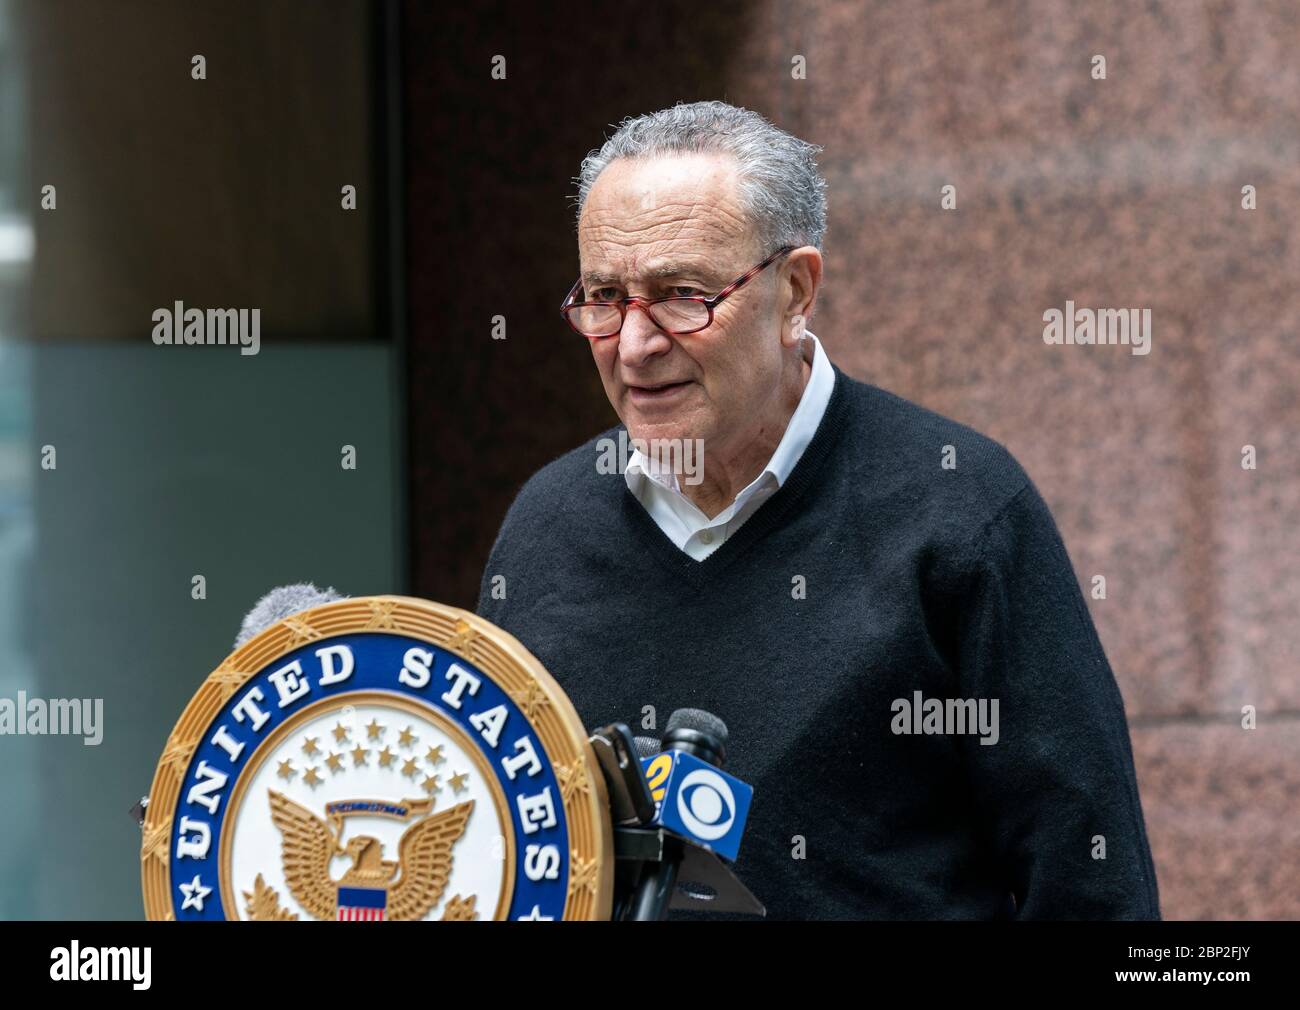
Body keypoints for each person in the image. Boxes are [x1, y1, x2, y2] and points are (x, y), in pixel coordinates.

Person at [477, 100, 1160, 920]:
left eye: (681, 295)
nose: (633, 344)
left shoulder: (962, 511)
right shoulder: (547, 524)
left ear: (795, 289)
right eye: (604, 296)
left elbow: (1091, 884)